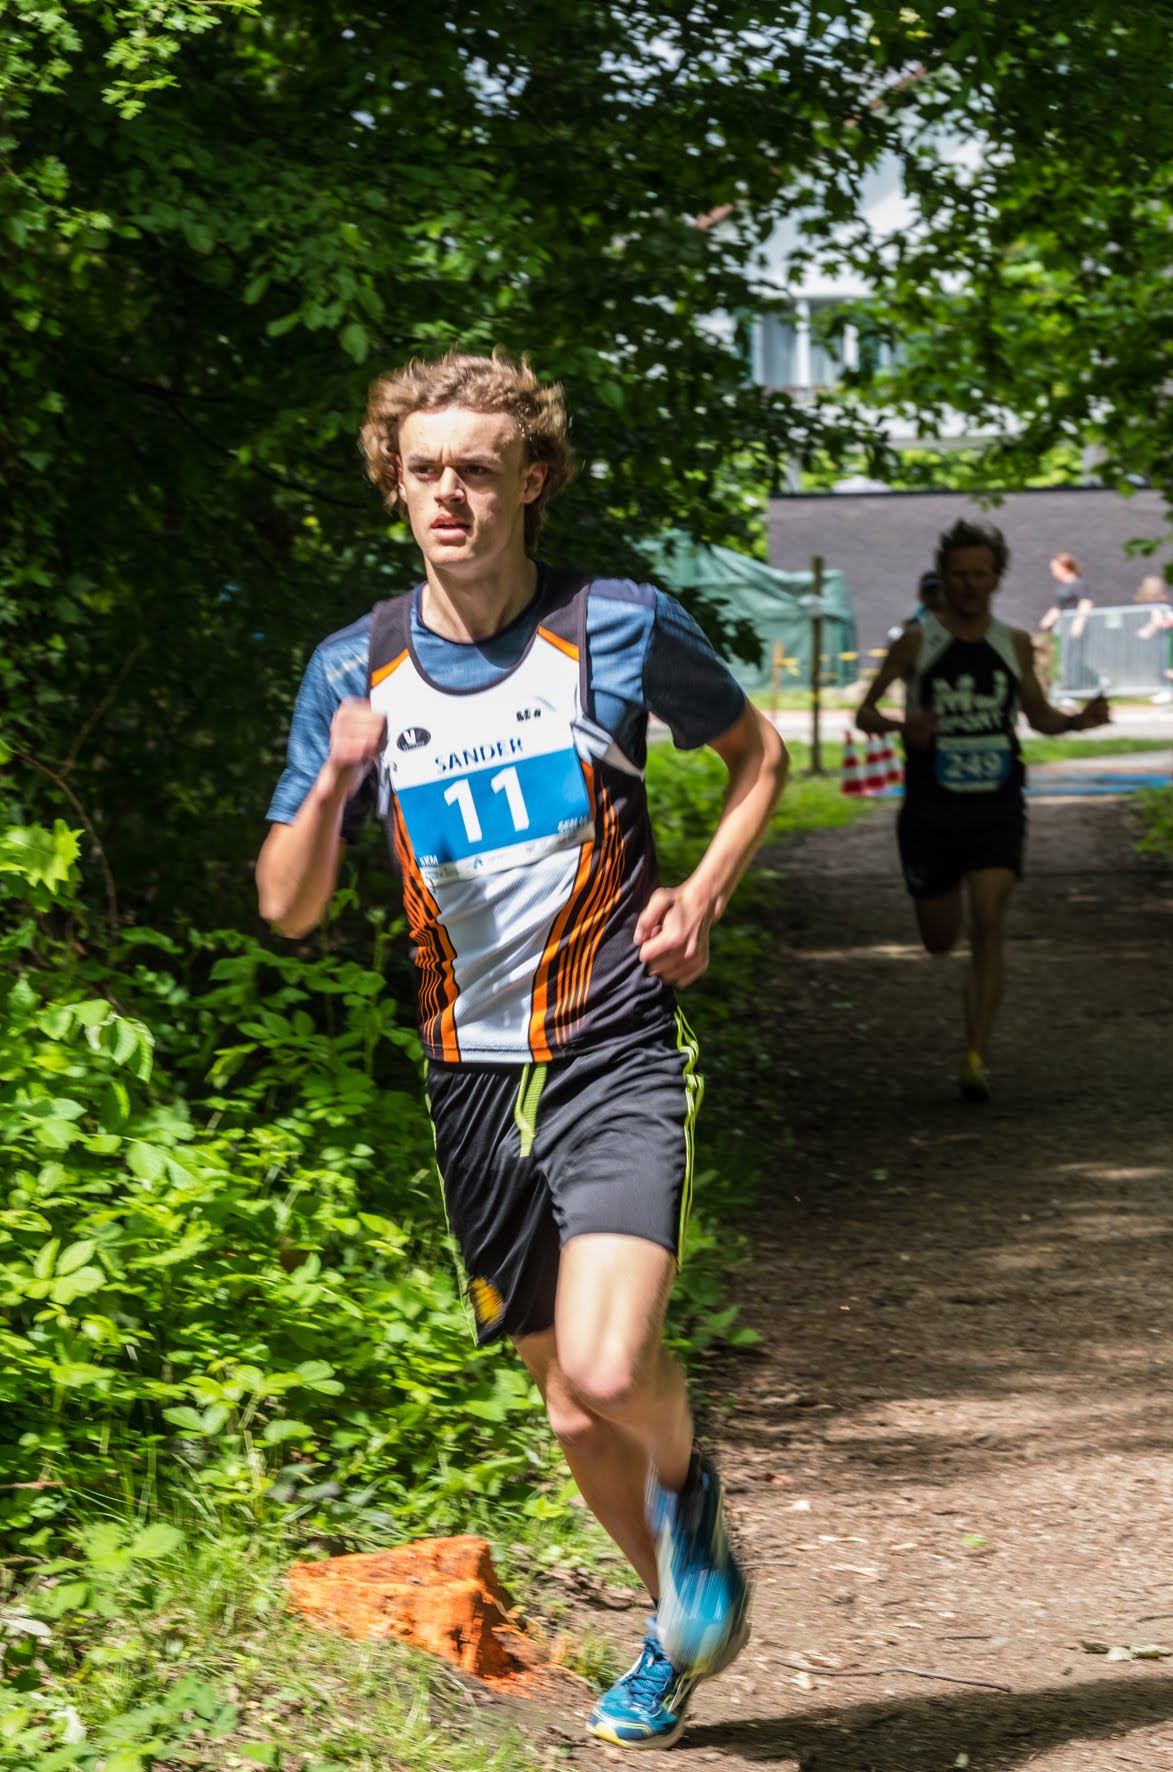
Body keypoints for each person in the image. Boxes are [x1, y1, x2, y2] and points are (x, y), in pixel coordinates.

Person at [256, 351, 788, 1748]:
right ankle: (677, 1622)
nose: (449, 493)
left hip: (606, 1041)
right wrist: (331, 780)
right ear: (394, 485)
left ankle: (693, 1499)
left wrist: (701, 894)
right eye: (424, 469)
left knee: (613, 1376)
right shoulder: (351, 669)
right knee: (562, 1417)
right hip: (471, 1084)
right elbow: (288, 906)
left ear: (528, 482)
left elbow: (757, 757)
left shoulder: (611, 627)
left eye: (478, 469)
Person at [856, 518, 1109, 1103]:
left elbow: (1038, 716)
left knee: (990, 919)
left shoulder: (1014, 643)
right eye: (960, 575)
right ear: (943, 578)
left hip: (996, 805)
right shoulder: (917, 641)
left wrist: (1078, 721)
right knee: (941, 939)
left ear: (996, 578)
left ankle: (976, 1055)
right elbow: (863, 714)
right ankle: (971, 1033)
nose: (970, 585)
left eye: (981, 574)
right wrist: (904, 725)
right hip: (931, 810)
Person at [1038, 552, 1094, 696]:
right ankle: (1097, 683)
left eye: (1055, 568)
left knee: (1074, 659)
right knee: (1067, 658)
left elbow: (1086, 603)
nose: (1053, 572)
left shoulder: (1078, 584)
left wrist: (1078, 623)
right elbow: (1059, 606)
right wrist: (1047, 620)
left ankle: (1073, 692)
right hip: (1064, 628)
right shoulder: (1062, 586)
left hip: (1076, 628)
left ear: (1065, 567)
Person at [1134, 576, 1173, 704]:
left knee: (1165, 663)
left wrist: (1146, 631)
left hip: (1167, 637)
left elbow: (1157, 619)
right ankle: (1169, 689)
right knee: (1168, 662)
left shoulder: (1154, 603)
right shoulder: (1161, 603)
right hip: (1171, 636)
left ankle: (1168, 690)